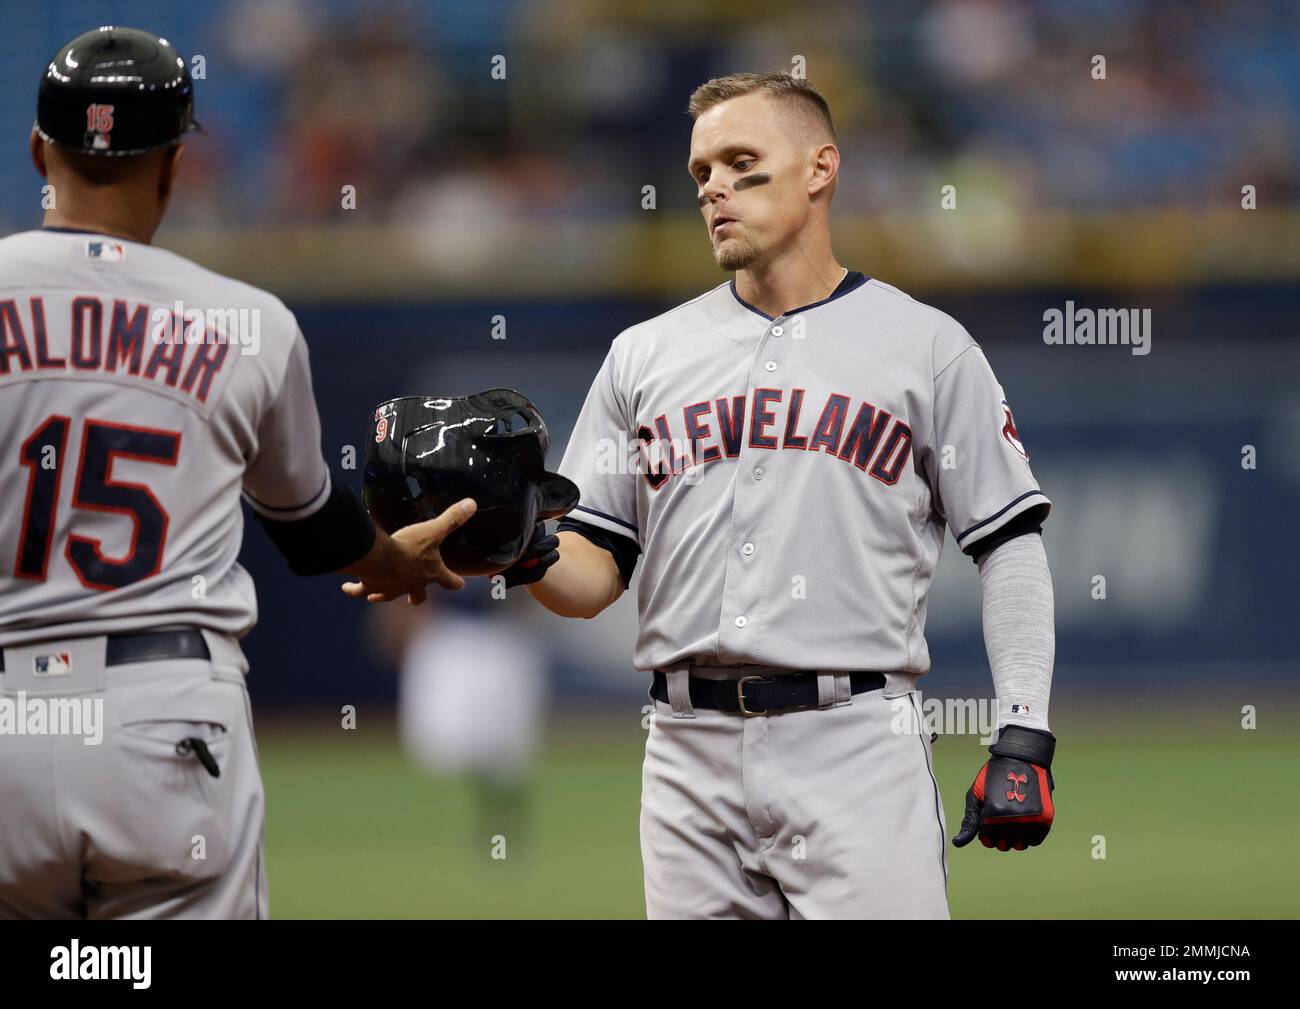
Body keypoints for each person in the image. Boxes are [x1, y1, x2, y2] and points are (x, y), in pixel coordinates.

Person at [514, 72, 1057, 919]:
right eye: (701, 174)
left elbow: (1008, 543)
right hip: (683, 753)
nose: (715, 189)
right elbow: (592, 573)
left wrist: (1023, 728)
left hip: (854, 744)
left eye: (742, 163)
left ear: (819, 169)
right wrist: (519, 545)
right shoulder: (643, 355)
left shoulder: (926, 346)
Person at [0, 25, 471, 920]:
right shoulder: (245, 321)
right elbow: (310, 526)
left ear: (37, 151)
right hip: (162, 716)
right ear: (175, 165)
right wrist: (395, 561)